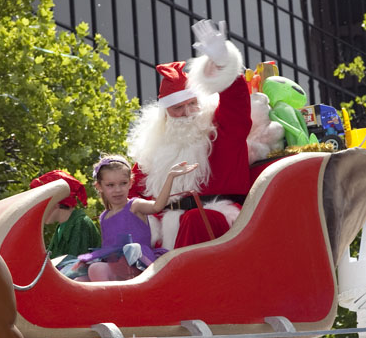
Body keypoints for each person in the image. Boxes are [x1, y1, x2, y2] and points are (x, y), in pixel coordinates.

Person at [127, 19, 251, 249]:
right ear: (165, 115)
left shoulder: (219, 132)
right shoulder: (152, 150)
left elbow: (237, 107)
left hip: (214, 217)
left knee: (193, 221)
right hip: (165, 225)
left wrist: (225, 66)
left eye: (192, 104)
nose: (186, 113)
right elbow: (130, 194)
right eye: (177, 108)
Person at [74, 155, 198, 282]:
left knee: (96, 269)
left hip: (137, 264)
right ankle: (105, 297)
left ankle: (113, 300)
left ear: (130, 183)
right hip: (114, 265)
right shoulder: (104, 216)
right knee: (79, 280)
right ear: (99, 187)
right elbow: (108, 248)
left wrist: (170, 177)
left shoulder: (135, 206)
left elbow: (157, 206)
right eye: (110, 185)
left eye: (123, 183)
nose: (117, 190)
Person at [29, 170, 101, 272]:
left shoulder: (80, 224)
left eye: (41, 203)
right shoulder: (61, 227)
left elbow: (74, 271)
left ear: (55, 202)